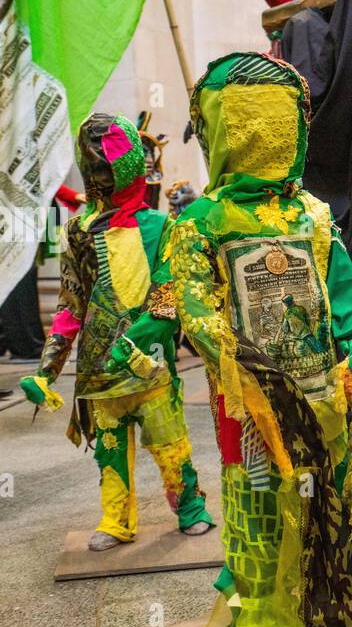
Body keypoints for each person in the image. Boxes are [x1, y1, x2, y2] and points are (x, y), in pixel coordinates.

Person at [167, 52, 352, 627]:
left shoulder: (313, 215)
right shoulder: (200, 223)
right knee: (258, 515)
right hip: (252, 412)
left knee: (333, 502)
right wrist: (254, 376)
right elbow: (192, 311)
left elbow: (351, 309)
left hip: (330, 396)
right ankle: (264, 623)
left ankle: (342, 598)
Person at [21, 113, 213, 551]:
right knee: (109, 450)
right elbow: (71, 305)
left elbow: (170, 291)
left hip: (151, 370)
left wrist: (145, 335)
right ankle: (116, 516)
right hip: (99, 371)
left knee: (170, 443)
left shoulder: (161, 227)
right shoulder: (79, 230)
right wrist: (45, 373)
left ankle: (189, 506)